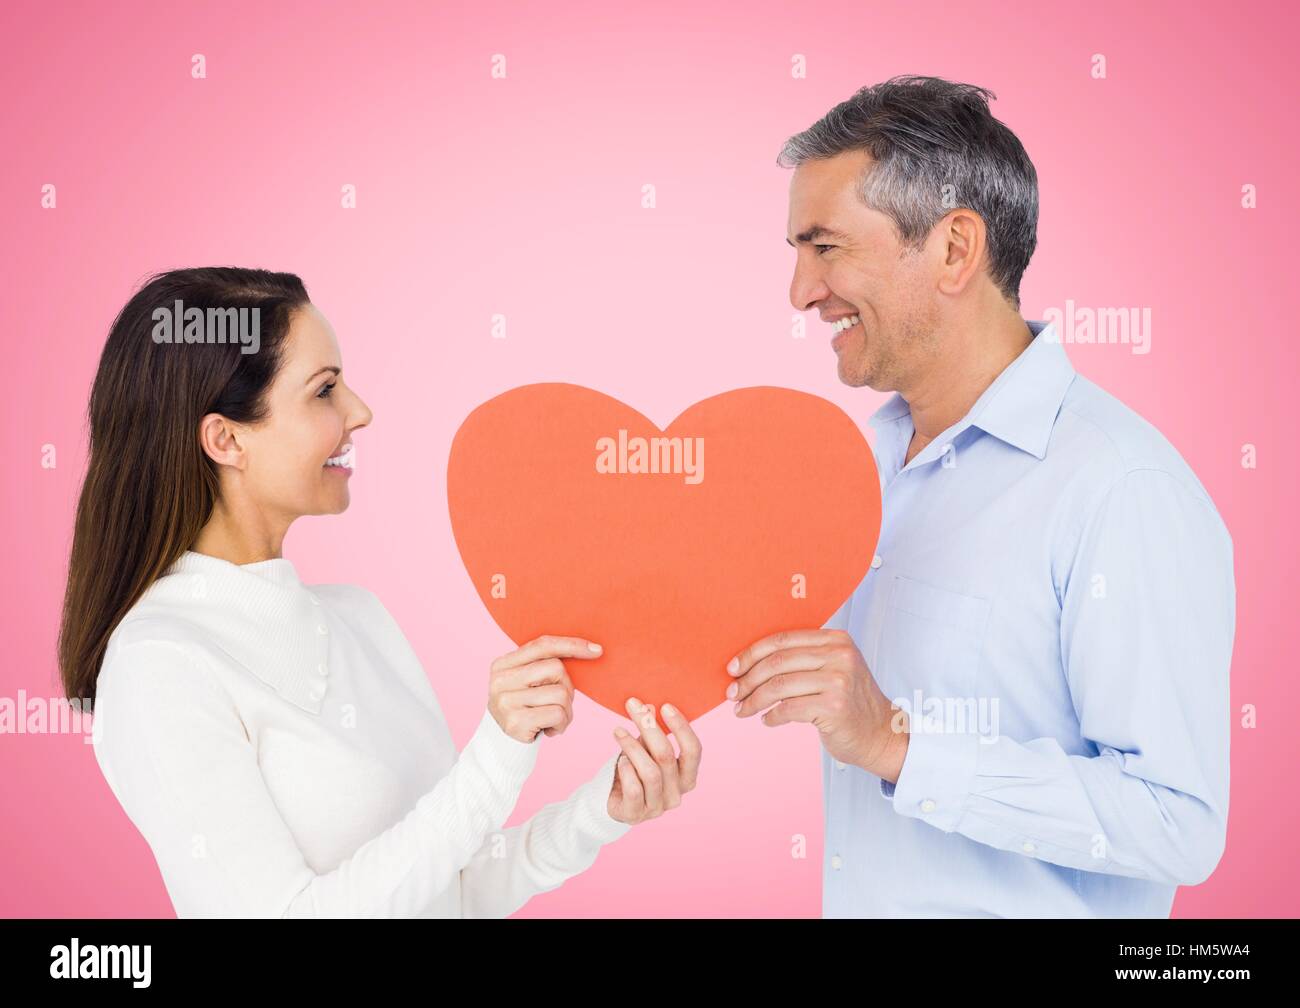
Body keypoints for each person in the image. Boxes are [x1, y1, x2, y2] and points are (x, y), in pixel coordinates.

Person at [726, 76, 1234, 917]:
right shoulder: (861, 466)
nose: (800, 293)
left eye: (826, 248)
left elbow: (1176, 822)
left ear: (956, 249)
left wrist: (896, 741)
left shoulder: (1120, 489)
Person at [59, 267, 701, 918]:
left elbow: (451, 890)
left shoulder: (357, 617)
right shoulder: (160, 664)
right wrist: (498, 751)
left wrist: (600, 811)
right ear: (226, 439)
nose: (360, 412)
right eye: (325, 391)